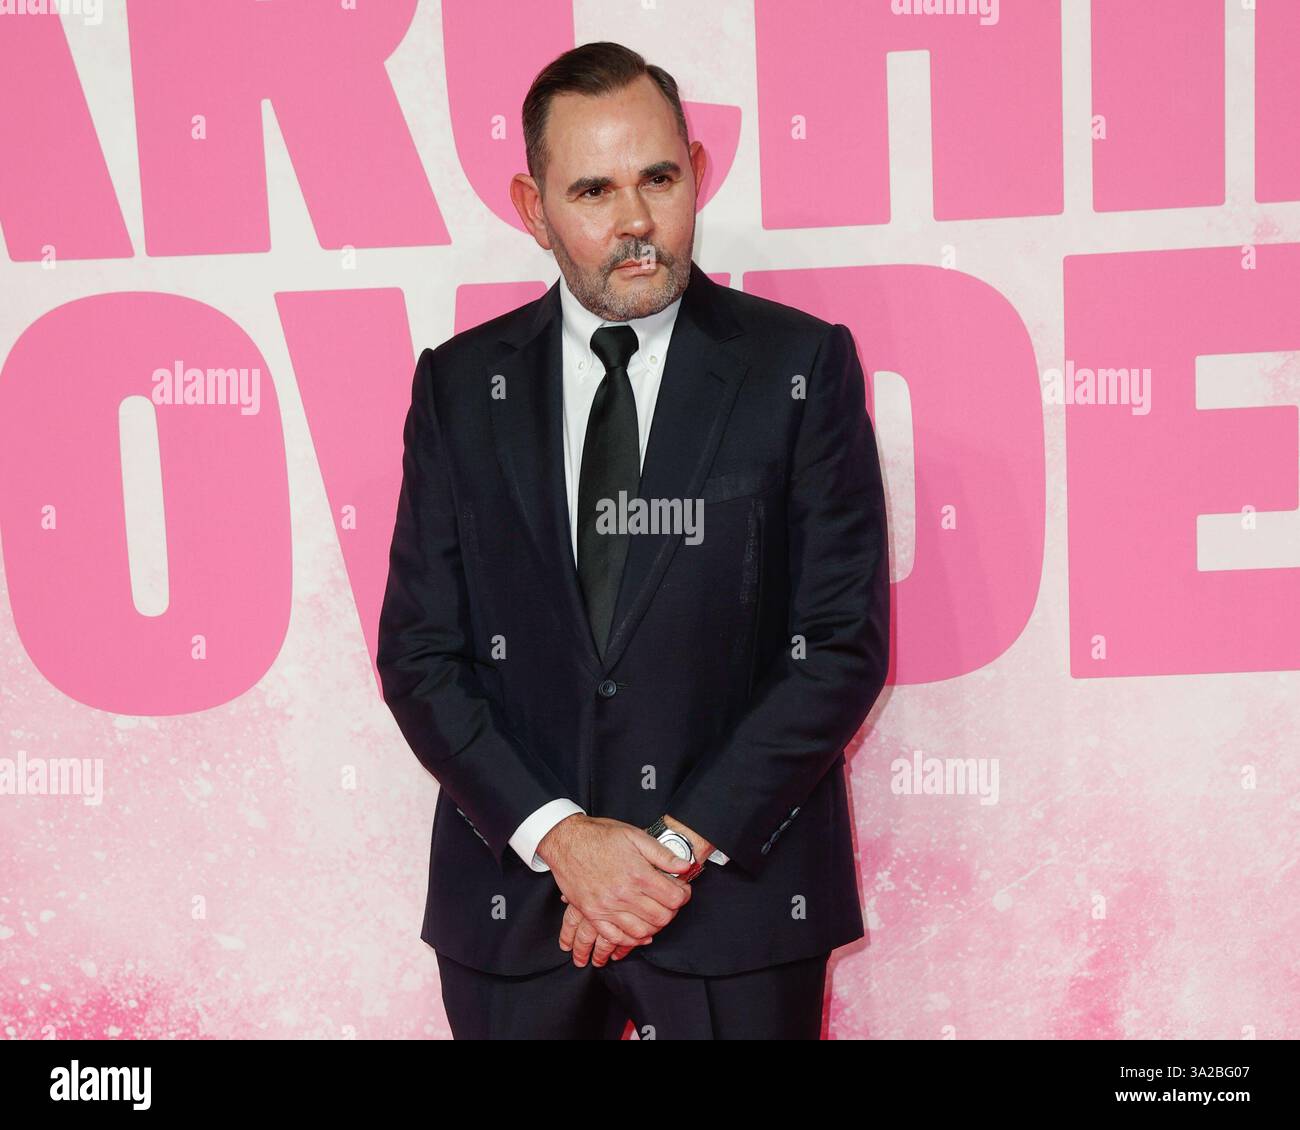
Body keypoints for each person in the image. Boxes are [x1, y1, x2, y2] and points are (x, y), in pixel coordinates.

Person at [377, 40, 890, 1040]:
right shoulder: (457, 385)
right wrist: (562, 838)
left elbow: (838, 644)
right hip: (516, 917)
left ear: (697, 172)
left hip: (738, 912)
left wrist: (666, 853)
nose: (635, 222)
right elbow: (420, 653)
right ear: (532, 208)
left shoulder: (799, 367)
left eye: (658, 178)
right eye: (593, 189)